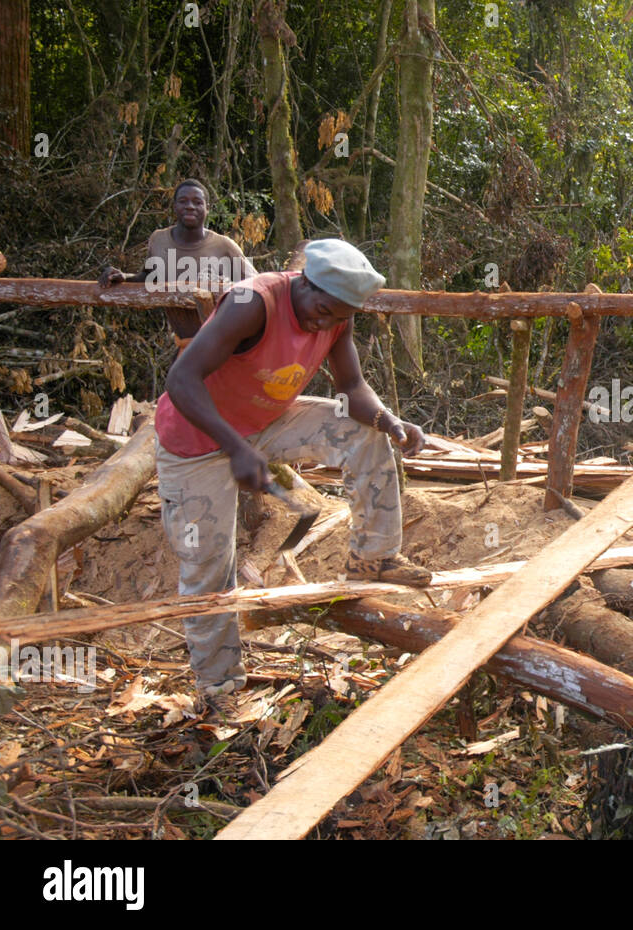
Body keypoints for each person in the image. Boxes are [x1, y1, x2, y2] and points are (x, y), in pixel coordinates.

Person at [154, 237, 433, 716]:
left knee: (365, 434)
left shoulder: (337, 316)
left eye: (338, 316)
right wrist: (236, 448)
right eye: (321, 309)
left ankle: (374, 558)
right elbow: (180, 380)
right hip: (196, 440)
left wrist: (391, 421)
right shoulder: (252, 303)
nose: (324, 322)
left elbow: (351, 387)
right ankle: (219, 692)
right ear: (303, 281)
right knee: (207, 568)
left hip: (264, 420)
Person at [99, 179, 256, 348]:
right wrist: (124, 277)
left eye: (197, 202)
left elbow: (256, 286)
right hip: (184, 341)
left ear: (207, 208)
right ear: (174, 206)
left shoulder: (224, 246)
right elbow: (152, 278)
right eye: (183, 201)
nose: (190, 206)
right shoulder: (159, 240)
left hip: (225, 342)